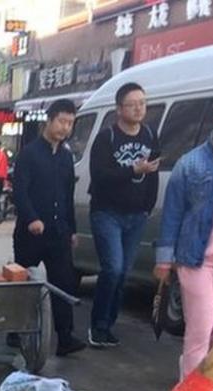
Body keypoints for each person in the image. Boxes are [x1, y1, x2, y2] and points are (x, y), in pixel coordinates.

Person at [155, 88, 213, 391]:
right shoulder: (193, 163)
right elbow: (172, 213)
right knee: (199, 332)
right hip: (196, 260)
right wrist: (164, 258)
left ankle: (204, 383)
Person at [88, 82, 161, 348]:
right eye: (133, 104)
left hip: (136, 215)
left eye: (143, 102)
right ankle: (98, 325)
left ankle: (109, 324)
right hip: (107, 213)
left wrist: (147, 206)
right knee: (113, 268)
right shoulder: (107, 138)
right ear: (119, 109)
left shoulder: (150, 135)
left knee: (124, 273)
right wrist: (132, 170)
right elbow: (100, 176)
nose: (139, 108)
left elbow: (153, 172)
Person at [13, 98, 87, 356]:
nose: (66, 128)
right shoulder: (29, 154)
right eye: (62, 121)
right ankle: (16, 331)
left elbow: (68, 196)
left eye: (70, 123)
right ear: (49, 120)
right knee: (23, 283)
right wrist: (32, 218)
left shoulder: (66, 157)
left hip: (58, 232)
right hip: (30, 233)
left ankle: (65, 337)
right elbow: (20, 192)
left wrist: (72, 229)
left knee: (63, 283)